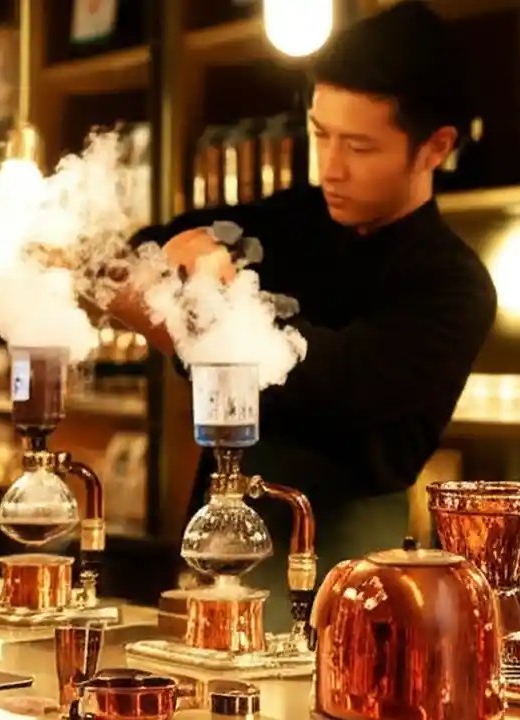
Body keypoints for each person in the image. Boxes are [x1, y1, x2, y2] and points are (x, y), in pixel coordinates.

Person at [112, 1, 497, 629]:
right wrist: (176, 258)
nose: (331, 167)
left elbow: (331, 385)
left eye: (360, 145)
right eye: (320, 134)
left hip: (346, 587)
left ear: (436, 148)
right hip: (212, 561)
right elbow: (138, 257)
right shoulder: (291, 219)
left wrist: (199, 307)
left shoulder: (454, 287)